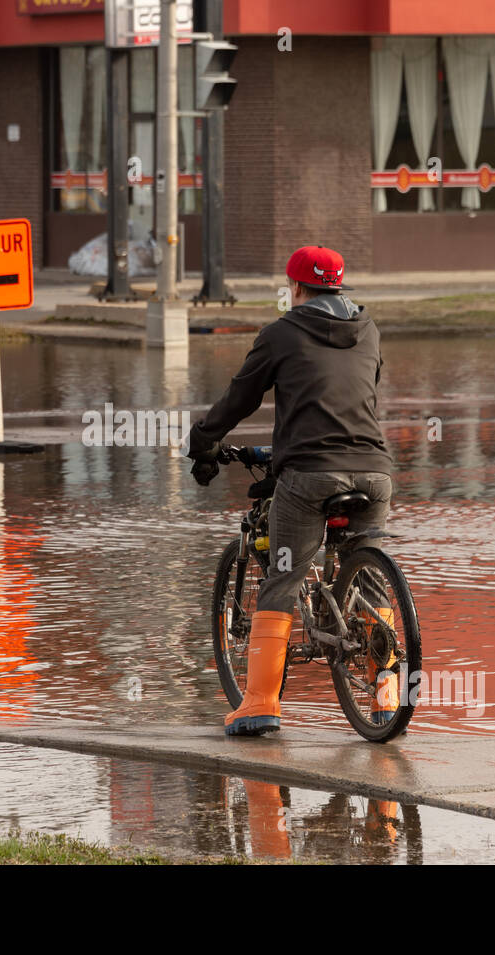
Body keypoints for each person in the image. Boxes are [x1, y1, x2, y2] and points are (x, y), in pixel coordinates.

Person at [187, 245, 396, 737]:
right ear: (339, 286)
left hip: (310, 474)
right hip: (375, 470)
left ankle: (260, 703)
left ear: (296, 288)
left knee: (282, 578)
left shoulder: (280, 334)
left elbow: (240, 398)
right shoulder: (368, 329)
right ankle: (386, 698)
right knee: (368, 579)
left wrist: (203, 440)